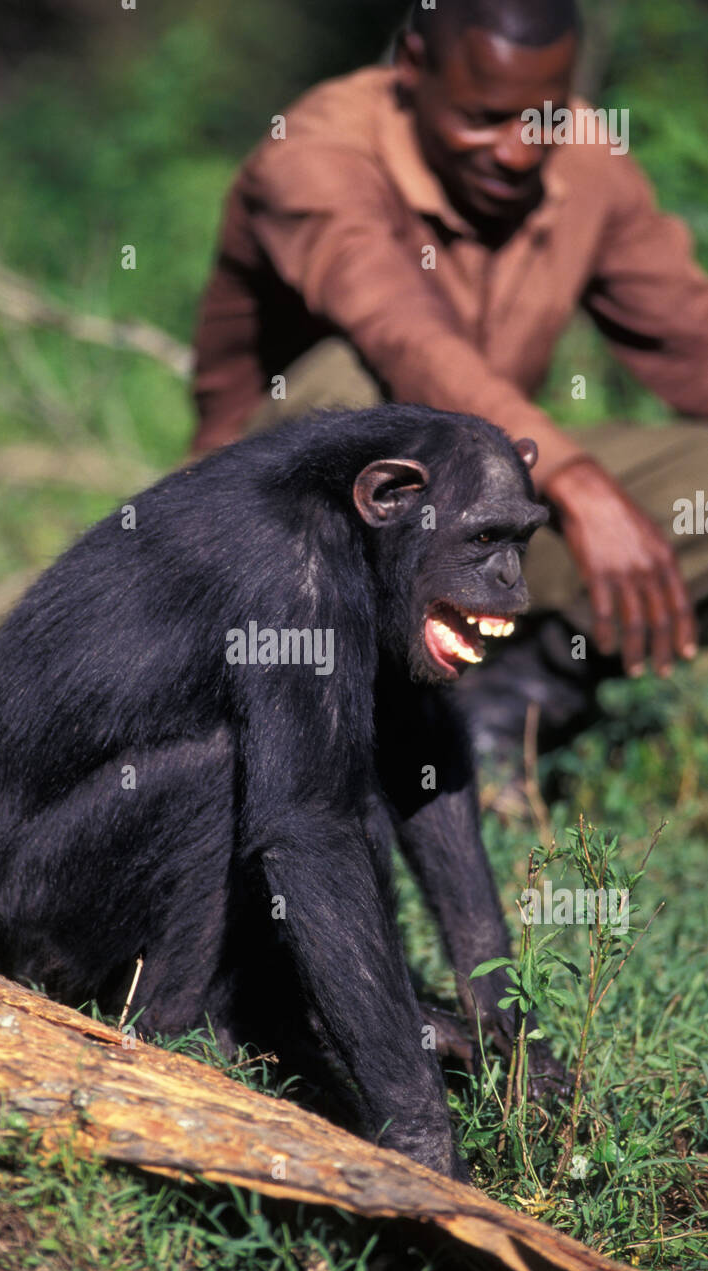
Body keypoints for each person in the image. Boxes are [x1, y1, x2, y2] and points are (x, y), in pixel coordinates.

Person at [189, 0, 708, 757]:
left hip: (483, 503)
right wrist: (578, 483)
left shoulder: (584, 157)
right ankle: (322, 727)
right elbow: (406, 338)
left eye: (545, 120)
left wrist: (562, 481)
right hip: (278, 532)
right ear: (410, 70)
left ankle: (505, 706)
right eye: (483, 118)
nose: (519, 152)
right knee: (363, 398)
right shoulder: (314, 155)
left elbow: (688, 334)